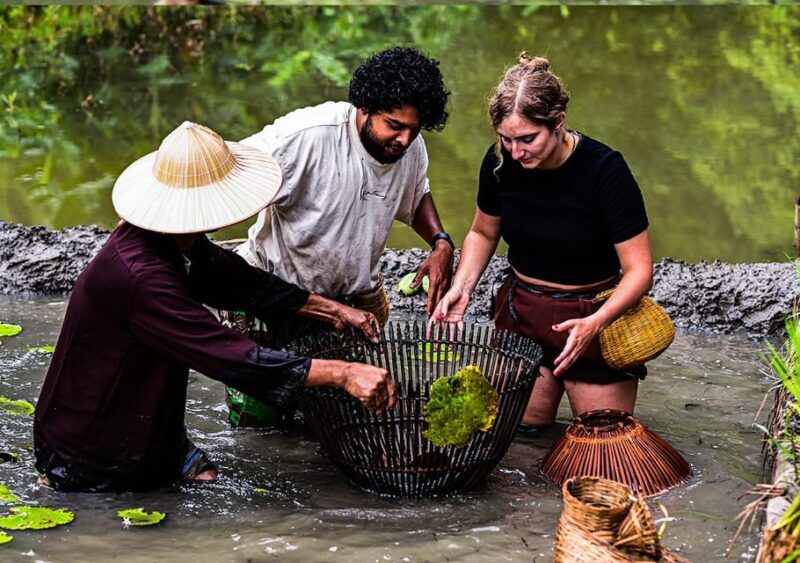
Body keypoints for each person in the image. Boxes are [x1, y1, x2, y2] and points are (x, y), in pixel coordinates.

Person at [33, 121, 396, 493]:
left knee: (206, 479)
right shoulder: (143, 278)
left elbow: (238, 281)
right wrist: (345, 373)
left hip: (145, 420)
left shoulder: (175, 241)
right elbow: (229, 355)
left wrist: (332, 310)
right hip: (90, 452)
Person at [224, 46, 455, 426]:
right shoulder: (305, 138)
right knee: (259, 426)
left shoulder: (409, 151)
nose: (404, 139)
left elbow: (416, 196)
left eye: (415, 129)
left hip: (348, 307)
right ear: (364, 107)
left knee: (336, 422)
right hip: (273, 295)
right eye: (394, 125)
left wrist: (441, 241)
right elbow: (230, 174)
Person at [430, 53, 653, 434]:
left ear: (558, 123)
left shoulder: (605, 170)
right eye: (506, 139)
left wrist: (596, 322)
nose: (516, 152)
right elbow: (483, 232)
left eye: (527, 139)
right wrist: (462, 287)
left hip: (591, 315)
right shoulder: (501, 162)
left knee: (603, 443)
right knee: (516, 439)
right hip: (522, 313)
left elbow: (639, 271)